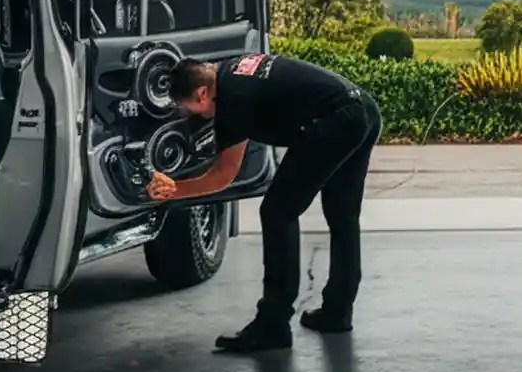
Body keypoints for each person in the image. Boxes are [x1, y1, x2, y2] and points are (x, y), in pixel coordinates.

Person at [152, 53, 381, 354]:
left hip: (335, 121)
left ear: (202, 93)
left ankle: (272, 325)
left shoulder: (231, 101)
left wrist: (173, 190)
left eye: (187, 107)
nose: (191, 115)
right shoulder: (232, 71)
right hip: (363, 110)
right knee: (343, 216)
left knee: (277, 212)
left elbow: (222, 176)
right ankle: (337, 311)